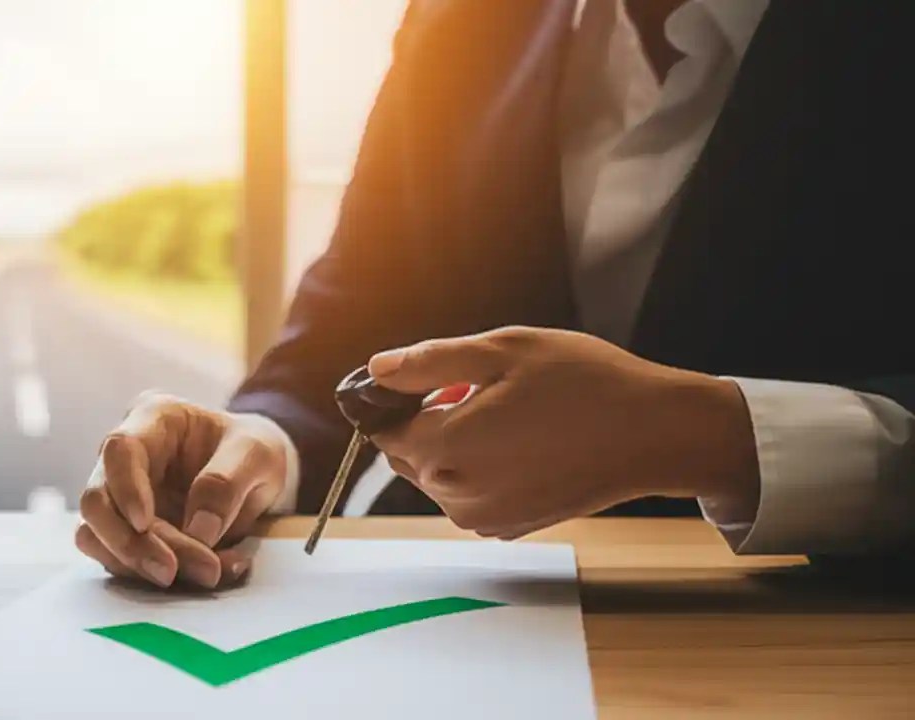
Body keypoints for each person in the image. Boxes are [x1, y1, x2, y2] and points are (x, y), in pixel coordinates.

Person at [75, 0, 915, 589]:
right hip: (461, 627)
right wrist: (258, 440)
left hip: (811, 642)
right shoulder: (457, 21)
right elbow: (347, 329)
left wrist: (710, 438)